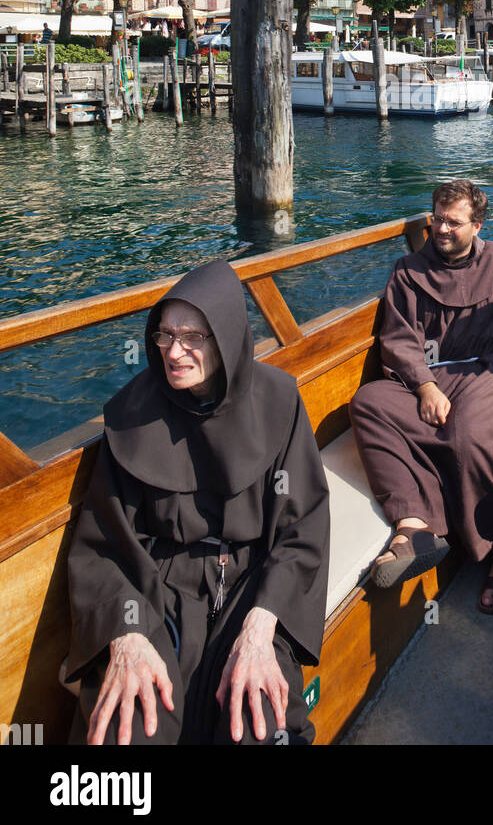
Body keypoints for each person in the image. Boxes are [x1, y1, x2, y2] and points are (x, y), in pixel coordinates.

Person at [66, 260, 330, 746]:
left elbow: (302, 529)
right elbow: (102, 546)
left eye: (192, 337)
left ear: (226, 337)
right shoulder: (131, 414)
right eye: (165, 335)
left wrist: (262, 624)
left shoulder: (279, 399)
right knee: (129, 728)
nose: (174, 351)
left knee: (258, 723)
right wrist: (127, 634)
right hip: (156, 591)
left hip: (255, 586)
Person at [349, 180, 493, 613]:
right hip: (425, 377)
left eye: (454, 222)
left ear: (477, 225)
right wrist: (424, 385)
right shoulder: (408, 271)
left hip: (482, 371)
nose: (443, 229)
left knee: (466, 435)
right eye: (438, 220)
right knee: (368, 403)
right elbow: (399, 338)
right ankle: (415, 523)